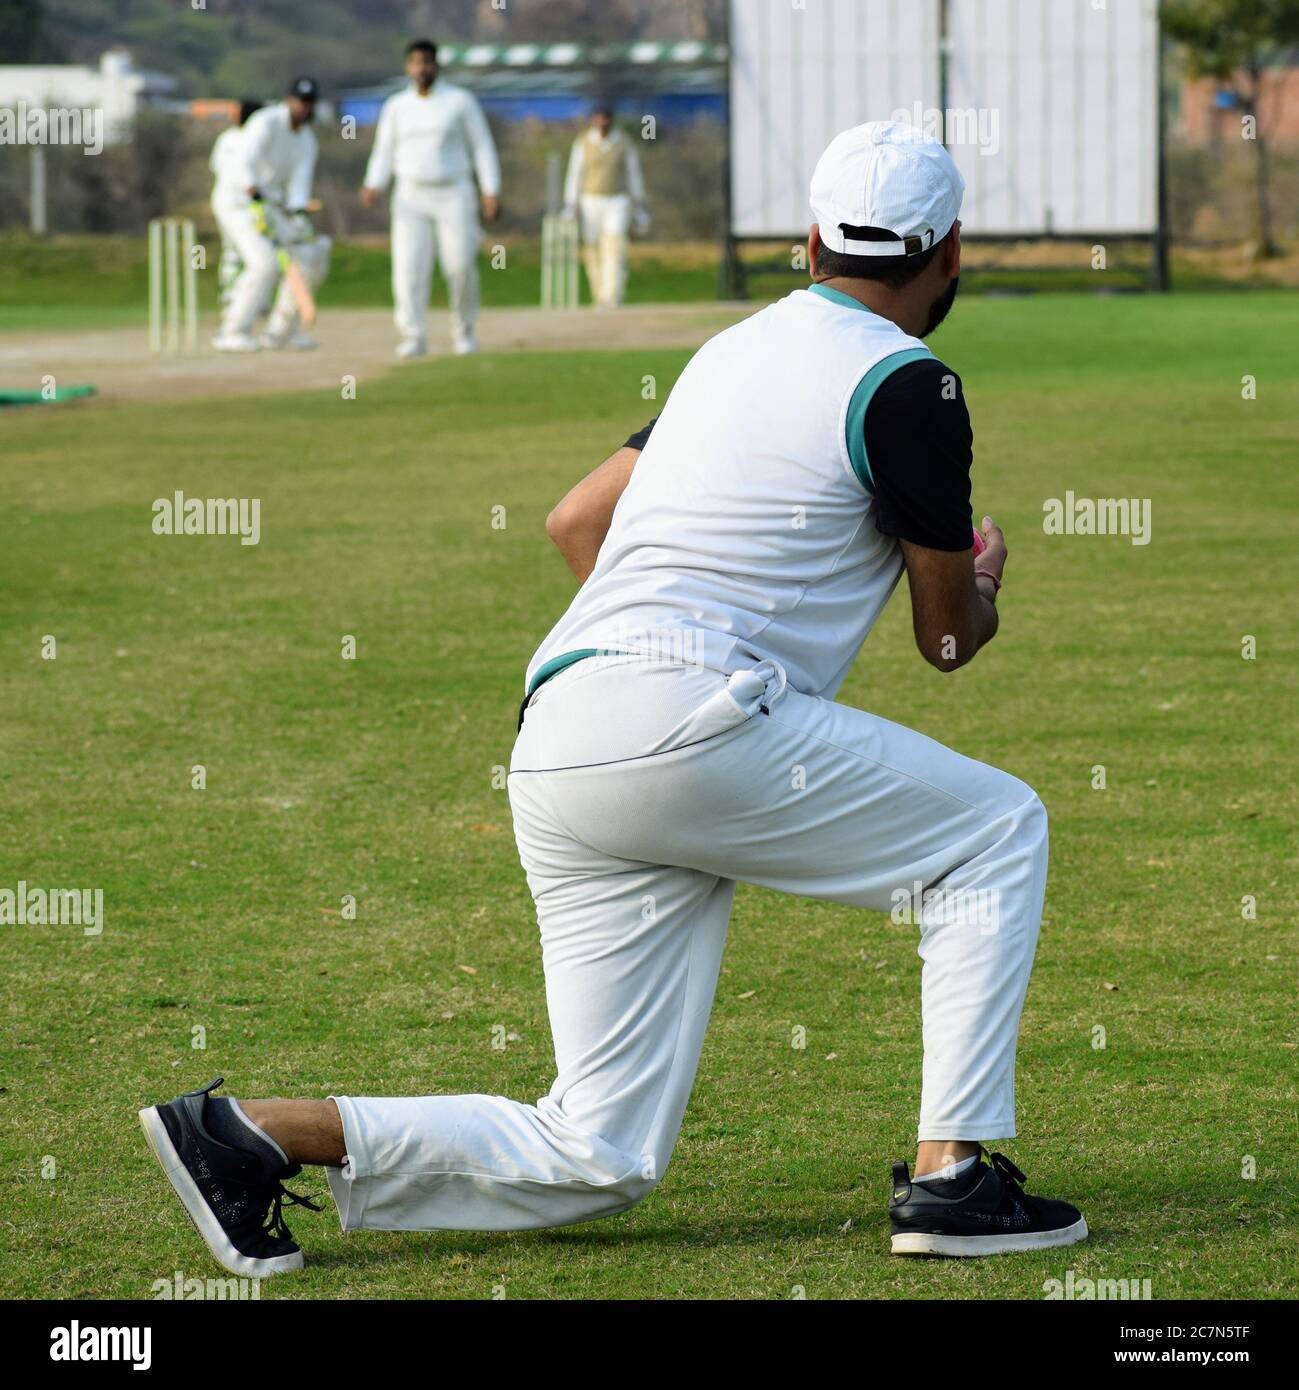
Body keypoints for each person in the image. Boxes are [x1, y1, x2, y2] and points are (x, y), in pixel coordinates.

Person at [139, 121, 1087, 1276]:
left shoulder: (728, 352)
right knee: (995, 830)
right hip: (687, 724)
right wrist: (979, 582)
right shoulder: (913, 384)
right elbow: (946, 639)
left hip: (560, 730)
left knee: (599, 1149)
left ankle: (243, 1136)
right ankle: (953, 1176)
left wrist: (659, 651)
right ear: (951, 256)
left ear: (808, 243)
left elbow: (573, 522)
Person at [360, 39, 501, 358]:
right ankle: (413, 335)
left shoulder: (460, 102)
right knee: (409, 267)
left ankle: (464, 332)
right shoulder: (397, 105)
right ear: (407, 67)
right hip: (410, 194)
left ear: (437, 66)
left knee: (459, 265)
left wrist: (490, 189)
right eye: (415, 63)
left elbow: (481, 146)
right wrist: (373, 183)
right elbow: (384, 150)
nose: (421, 69)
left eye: (427, 62)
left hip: (454, 192)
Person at [211, 77, 331, 353]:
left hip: (271, 205)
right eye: (299, 101)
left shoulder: (306, 140)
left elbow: (299, 183)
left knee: (309, 256)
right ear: (288, 99)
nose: (303, 108)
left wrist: (299, 213)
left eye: (309, 103)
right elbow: (244, 160)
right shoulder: (265, 122)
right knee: (264, 263)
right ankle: (232, 331)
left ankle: (280, 332)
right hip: (237, 201)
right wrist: (253, 194)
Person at [563, 103, 647, 308]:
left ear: (611, 120)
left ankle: (612, 294)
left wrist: (639, 203)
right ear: (594, 120)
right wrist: (570, 203)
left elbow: (633, 173)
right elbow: (575, 174)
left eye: (606, 118)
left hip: (617, 200)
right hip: (590, 200)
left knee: (614, 246)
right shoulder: (583, 142)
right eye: (599, 118)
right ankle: (599, 294)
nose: (602, 122)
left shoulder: (624, 142)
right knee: (592, 248)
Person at [209, 100, 261, 308]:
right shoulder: (237, 139)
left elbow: (215, 167)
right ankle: (232, 295)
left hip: (239, 202)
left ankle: (247, 297)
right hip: (233, 202)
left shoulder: (230, 138)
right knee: (237, 250)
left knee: (245, 252)